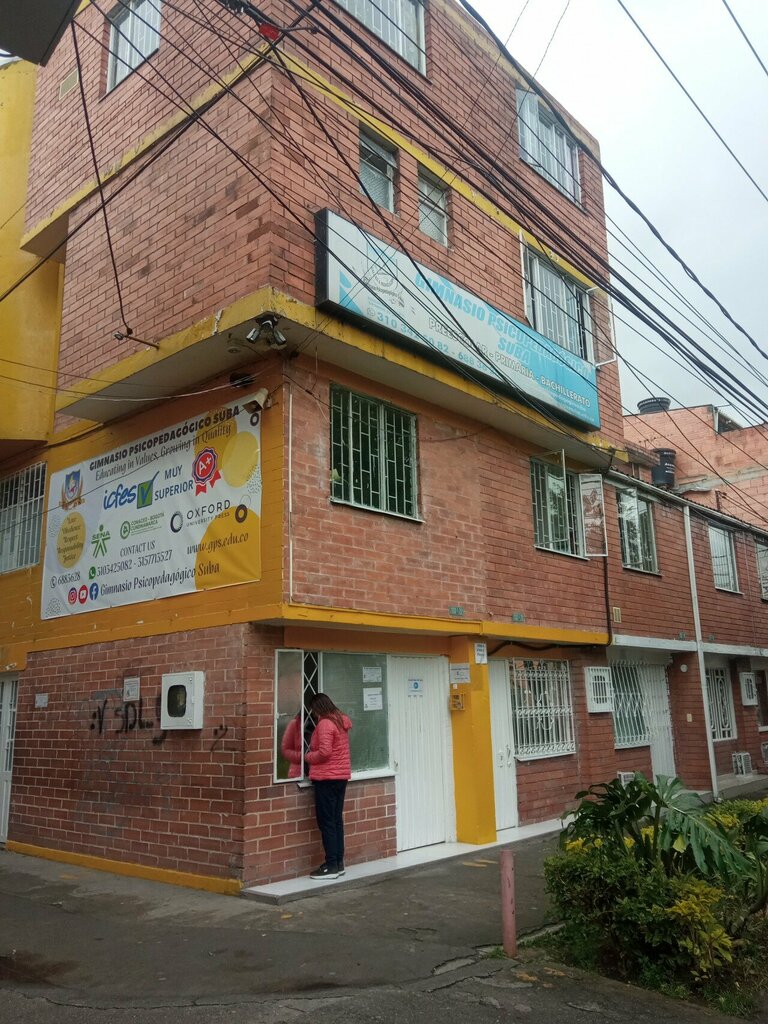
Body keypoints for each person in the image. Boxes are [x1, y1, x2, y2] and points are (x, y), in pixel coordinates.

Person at [304, 693, 352, 880]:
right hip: (340, 777)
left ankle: (331, 865)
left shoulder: (325, 723)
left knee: (327, 822)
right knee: (336, 820)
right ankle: (338, 863)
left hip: (327, 778)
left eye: (313, 710)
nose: (313, 714)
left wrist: (307, 757)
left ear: (318, 708)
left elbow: (324, 752)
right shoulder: (340, 721)